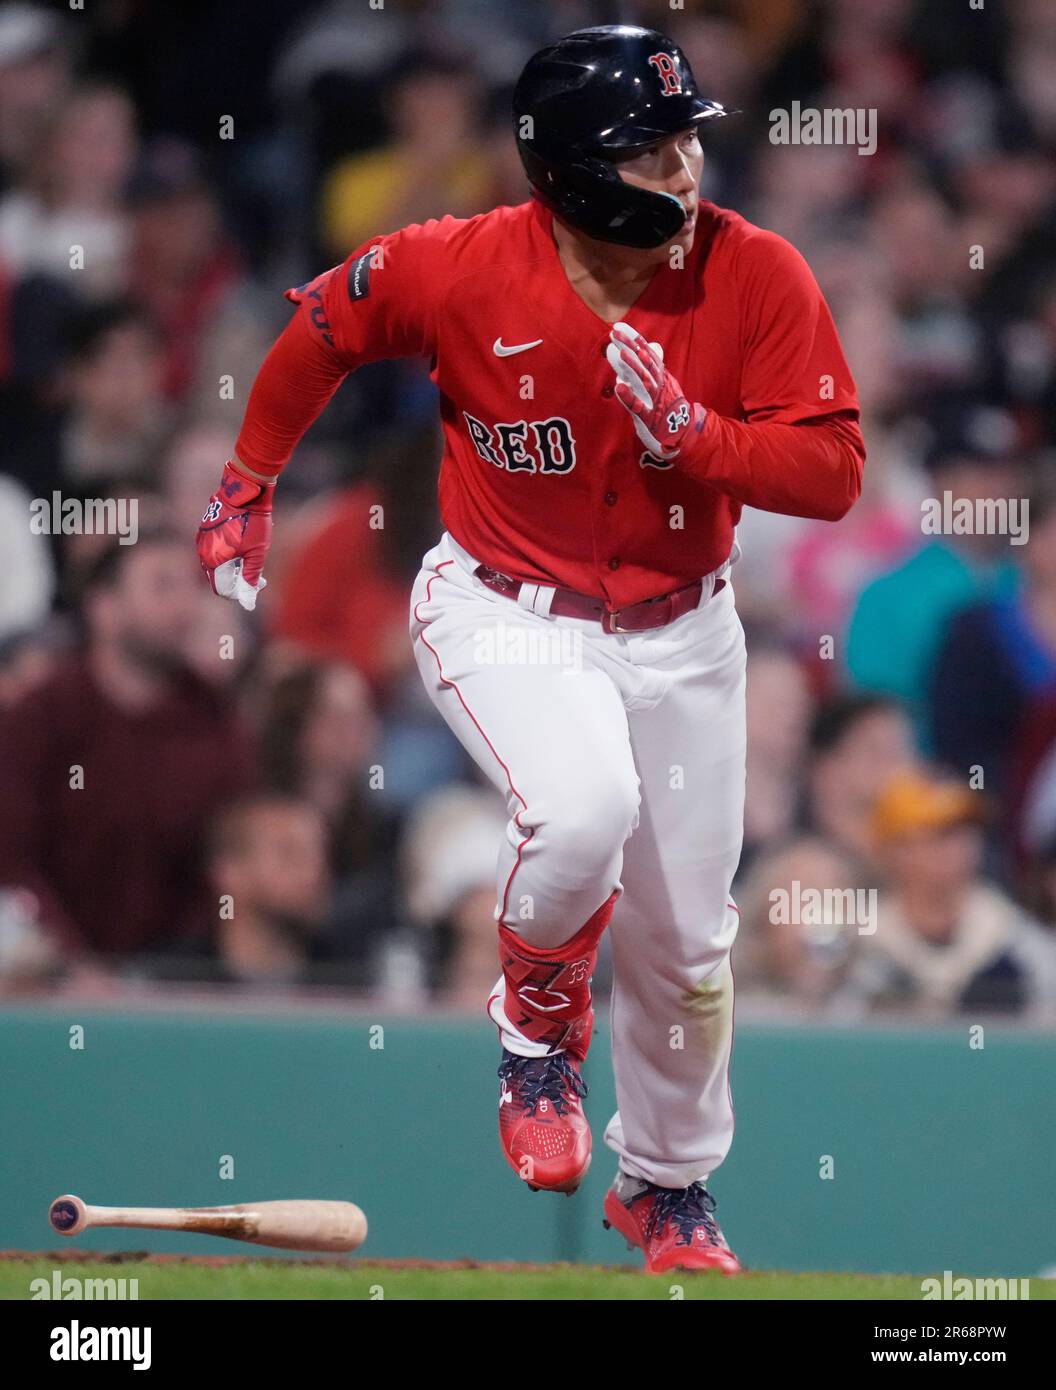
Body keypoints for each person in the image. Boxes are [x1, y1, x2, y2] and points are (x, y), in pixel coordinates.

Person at [196, 26, 865, 1273]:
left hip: (684, 629)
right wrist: (247, 480)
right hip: (506, 606)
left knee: (689, 947)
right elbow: (321, 329)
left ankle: (665, 1185)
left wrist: (705, 441)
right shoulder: (459, 266)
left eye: (687, 143)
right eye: (653, 150)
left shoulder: (756, 272)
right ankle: (538, 1032)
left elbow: (834, 467)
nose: (684, 172)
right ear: (571, 169)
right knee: (582, 806)